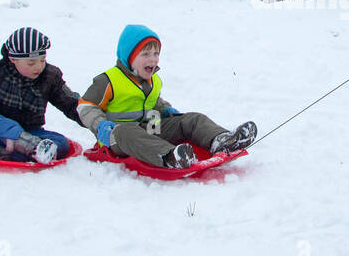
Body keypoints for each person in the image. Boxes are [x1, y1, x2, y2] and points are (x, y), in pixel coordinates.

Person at [78, 24, 256, 169]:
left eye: (156, 54)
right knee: (127, 131)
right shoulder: (109, 80)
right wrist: (100, 125)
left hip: (150, 130)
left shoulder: (154, 80)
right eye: (145, 54)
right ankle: (170, 156)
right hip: (117, 139)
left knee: (191, 119)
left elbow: (154, 101)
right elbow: (85, 106)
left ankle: (221, 139)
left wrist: (165, 109)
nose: (153, 59)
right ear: (129, 57)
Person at [0, 28, 85, 164]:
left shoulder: (50, 77)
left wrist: (99, 121)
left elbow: (72, 104)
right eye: (31, 63)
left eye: (42, 60)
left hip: (30, 134)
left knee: (61, 144)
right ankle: (26, 149)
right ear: (13, 59)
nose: (38, 67)